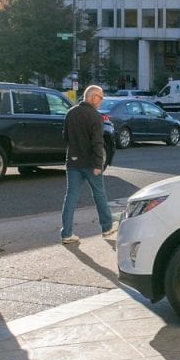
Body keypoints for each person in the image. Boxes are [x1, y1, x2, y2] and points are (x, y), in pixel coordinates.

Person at [60, 85, 115, 244]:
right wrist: (99, 164)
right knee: (99, 194)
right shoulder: (95, 116)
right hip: (91, 163)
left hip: (73, 161)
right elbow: (98, 142)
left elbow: (65, 137)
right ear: (93, 97)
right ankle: (106, 227)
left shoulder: (70, 113)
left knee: (70, 197)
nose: (101, 101)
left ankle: (67, 233)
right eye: (100, 97)